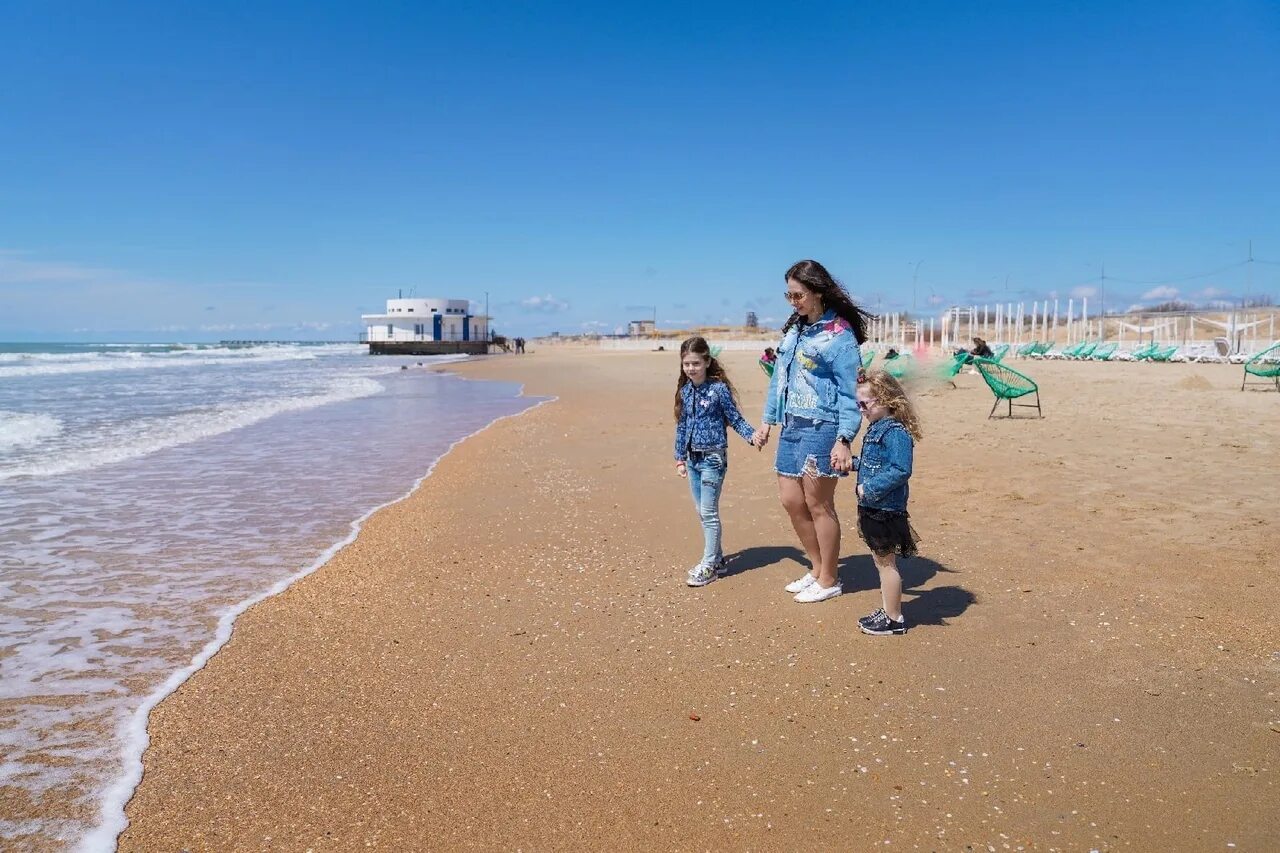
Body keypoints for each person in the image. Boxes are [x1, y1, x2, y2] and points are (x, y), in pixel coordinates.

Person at [757, 260, 874, 603]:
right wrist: (767, 420)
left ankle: (829, 579)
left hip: (824, 428)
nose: (792, 301)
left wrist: (844, 439)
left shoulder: (839, 335)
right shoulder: (796, 330)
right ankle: (816, 567)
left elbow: (851, 389)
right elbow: (779, 379)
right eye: (788, 295)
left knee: (818, 504)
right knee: (791, 501)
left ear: (818, 292)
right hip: (792, 425)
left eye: (798, 294)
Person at [673, 336, 760, 587]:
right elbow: (682, 427)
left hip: (713, 459)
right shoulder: (685, 391)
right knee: (701, 511)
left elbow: (735, 418)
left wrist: (752, 437)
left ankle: (709, 564)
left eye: (696, 363)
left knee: (709, 513)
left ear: (707, 361)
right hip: (692, 460)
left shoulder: (718, 390)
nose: (691, 368)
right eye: (686, 364)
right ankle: (719, 558)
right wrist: (679, 458)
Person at [853, 370, 923, 636]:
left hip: (885, 509)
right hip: (872, 506)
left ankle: (894, 619)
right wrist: (853, 465)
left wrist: (868, 488)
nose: (861, 410)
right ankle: (888, 609)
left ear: (886, 400)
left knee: (886, 564)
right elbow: (876, 464)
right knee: (880, 561)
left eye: (865, 404)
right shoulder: (876, 427)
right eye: (857, 404)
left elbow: (900, 469)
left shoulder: (895, 432)